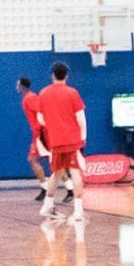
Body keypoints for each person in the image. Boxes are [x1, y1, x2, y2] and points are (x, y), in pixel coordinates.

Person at [35, 62, 87, 225]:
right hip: (72, 140)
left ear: (52, 75)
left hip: (55, 141)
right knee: (75, 173)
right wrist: (83, 137)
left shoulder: (43, 93)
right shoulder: (72, 93)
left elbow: (40, 118)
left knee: (57, 173)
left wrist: (53, 125)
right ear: (66, 75)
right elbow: (81, 118)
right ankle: (78, 211)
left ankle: (47, 206)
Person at [19, 77, 50, 203]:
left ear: (22, 86)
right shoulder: (28, 97)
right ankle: (69, 187)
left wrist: (42, 131)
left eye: (18, 84)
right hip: (40, 133)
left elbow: (41, 112)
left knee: (33, 160)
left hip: (41, 134)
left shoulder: (30, 98)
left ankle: (46, 188)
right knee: (53, 162)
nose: (16, 86)